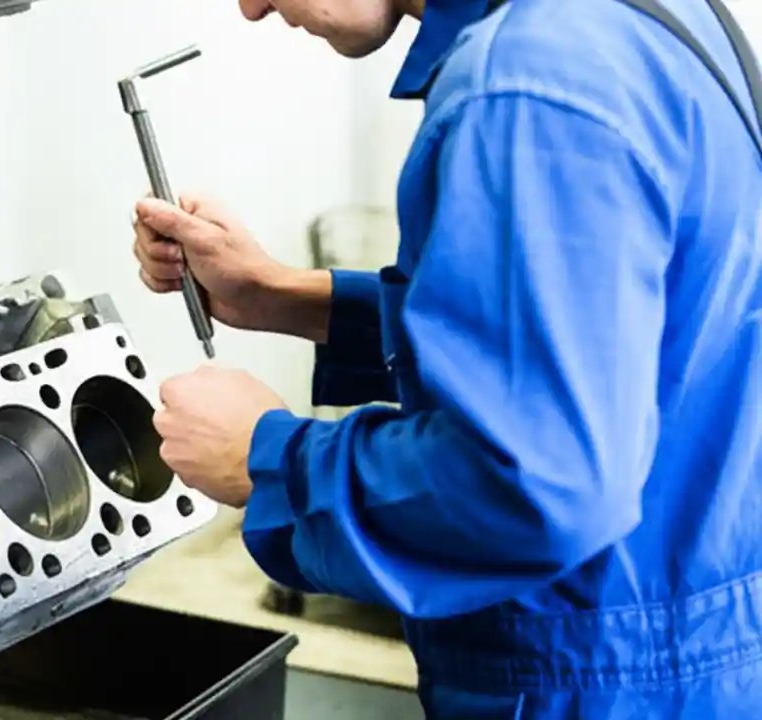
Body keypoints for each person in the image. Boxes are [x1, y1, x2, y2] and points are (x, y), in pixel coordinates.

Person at [132, 0, 762, 717]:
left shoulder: (526, 82)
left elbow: (534, 485)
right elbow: (593, 346)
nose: (251, 8)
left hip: (592, 687)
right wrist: (281, 296)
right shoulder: (633, 21)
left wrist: (266, 458)